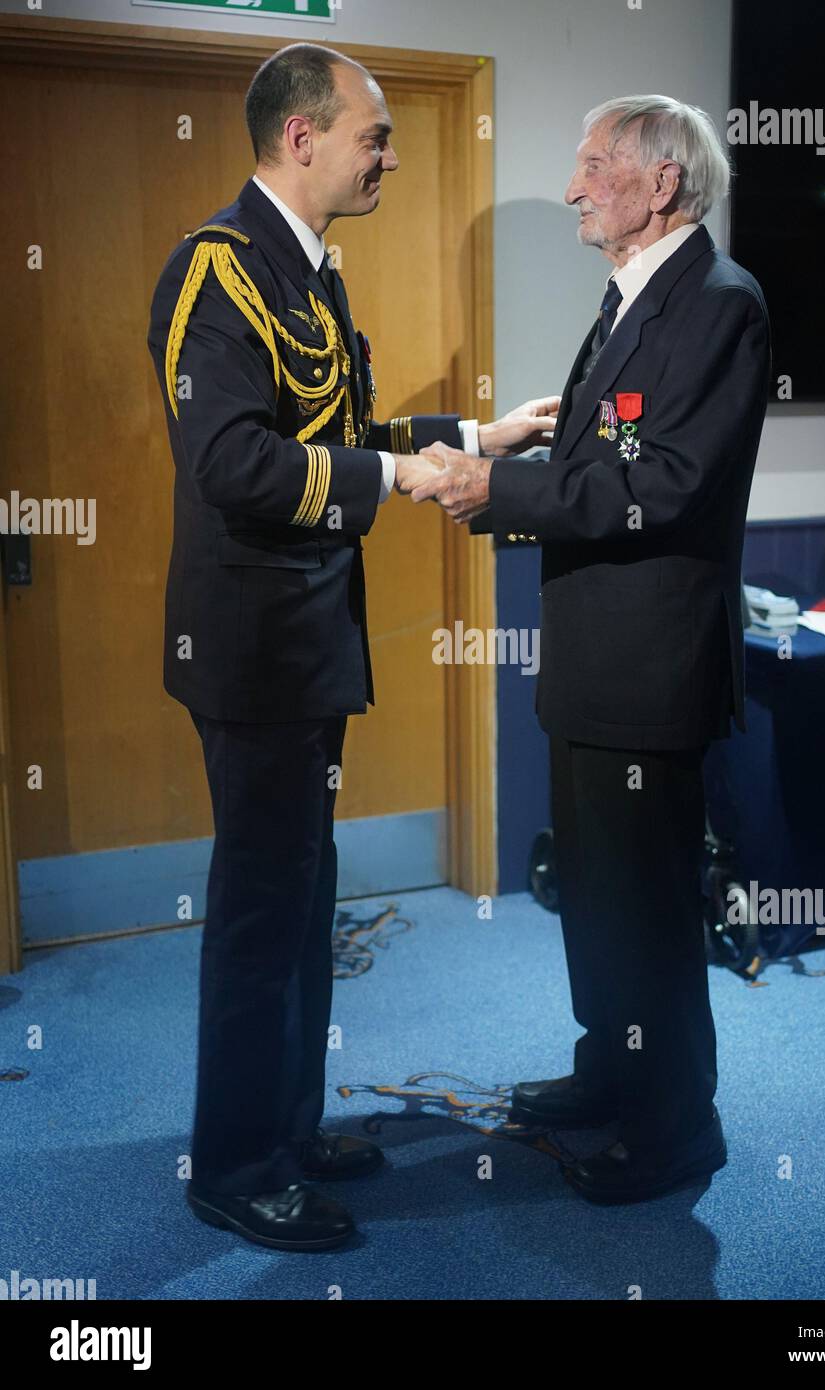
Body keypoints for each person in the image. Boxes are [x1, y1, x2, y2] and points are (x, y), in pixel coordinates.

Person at [146, 42, 557, 1251]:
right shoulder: (212, 269)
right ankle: (232, 1162)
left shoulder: (307, 270)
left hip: (306, 631)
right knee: (263, 902)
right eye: (373, 133)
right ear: (300, 137)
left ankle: (289, 1122)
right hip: (252, 642)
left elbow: (338, 428)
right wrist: (394, 474)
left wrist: (473, 432)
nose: (388, 153)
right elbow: (232, 464)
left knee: (305, 888)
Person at [411, 95, 771, 1204]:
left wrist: (495, 483)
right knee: (599, 896)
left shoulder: (717, 302)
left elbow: (660, 482)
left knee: (648, 908)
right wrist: (512, 465)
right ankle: (610, 1073)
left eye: (591, 166)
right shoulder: (638, 298)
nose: (571, 187)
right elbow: (614, 449)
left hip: (649, 666)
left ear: (658, 183)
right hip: (595, 657)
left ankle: (674, 1128)